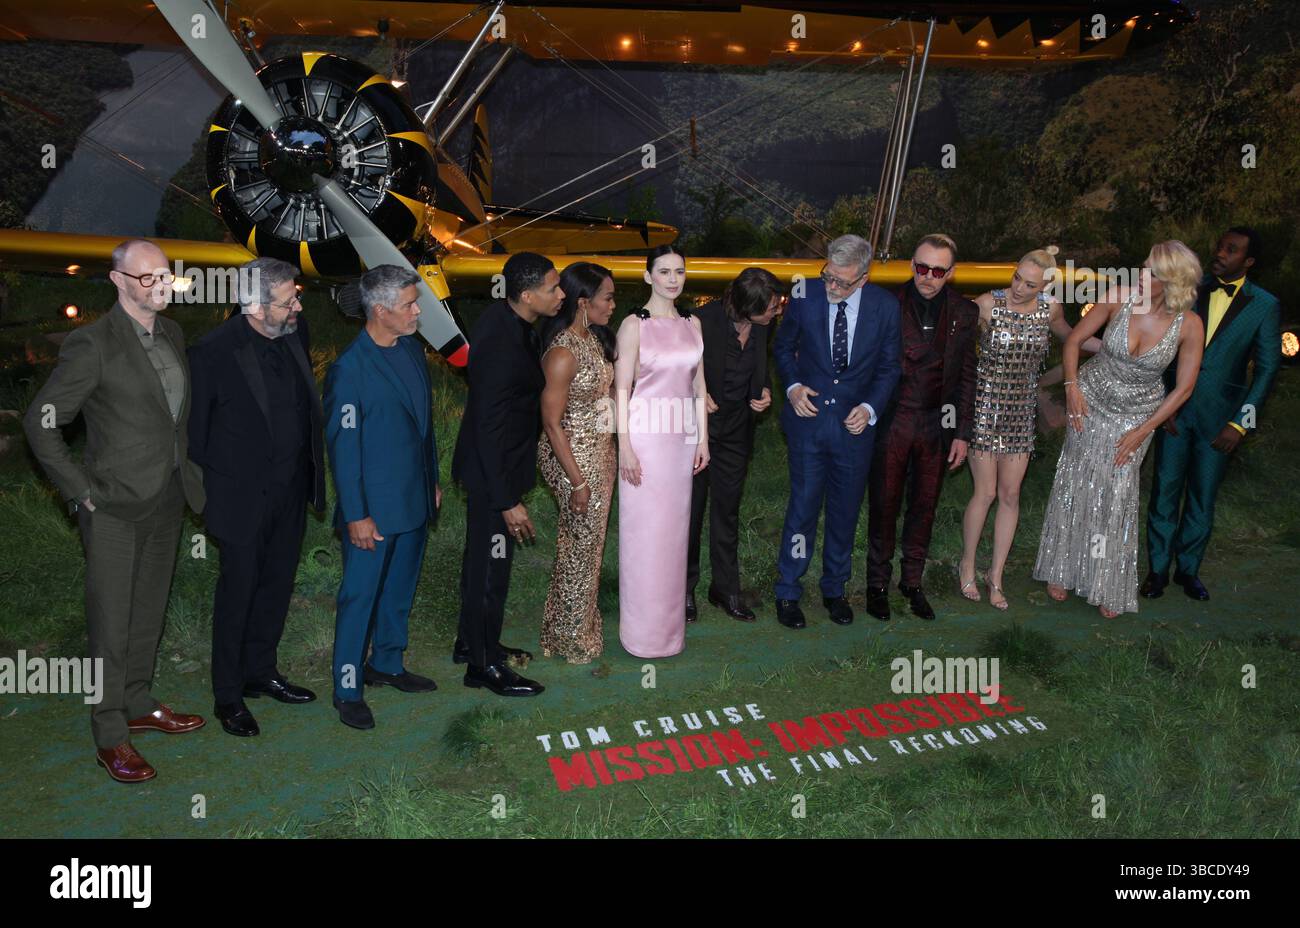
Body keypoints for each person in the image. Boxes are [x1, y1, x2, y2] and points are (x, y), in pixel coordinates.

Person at [24, 239, 206, 783]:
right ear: (118, 281)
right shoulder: (92, 343)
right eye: (147, 277)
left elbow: (171, 419)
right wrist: (80, 489)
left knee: (148, 609)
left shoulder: (173, 333)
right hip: (111, 506)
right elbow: (42, 421)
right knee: (111, 619)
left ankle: (139, 701)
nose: (160, 285)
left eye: (166, 276)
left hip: (167, 494)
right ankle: (110, 735)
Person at [187, 257, 324, 737]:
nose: (298, 307)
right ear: (253, 304)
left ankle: (261, 671)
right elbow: (195, 437)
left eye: (296, 296)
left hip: (290, 490)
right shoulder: (212, 352)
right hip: (240, 498)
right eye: (289, 300)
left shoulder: (293, 333)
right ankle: (228, 695)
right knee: (237, 594)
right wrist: (212, 498)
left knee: (276, 585)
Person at [1035, 243, 1205, 617]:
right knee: (1077, 484)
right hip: (1090, 402)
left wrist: (1145, 430)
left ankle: (1105, 580)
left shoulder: (1189, 325)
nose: (1141, 276)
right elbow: (1075, 340)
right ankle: (1062, 568)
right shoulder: (1118, 297)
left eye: (1151, 273)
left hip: (1137, 416)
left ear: (1173, 282)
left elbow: (1184, 388)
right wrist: (1071, 386)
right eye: (1142, 267)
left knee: (1117, 492)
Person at [324, 265, 441, 730]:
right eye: (410, 305)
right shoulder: (349, 370)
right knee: (359, 598)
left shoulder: (412, 350)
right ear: (379, 310)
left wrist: (430, 478)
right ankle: (347, 687)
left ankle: (388, 664)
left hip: (414, 501)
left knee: (397, 592)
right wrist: (356, 515)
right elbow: (343, 451)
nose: (418, 311)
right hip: (372, 512)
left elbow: (422, 427)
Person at [957, 246, 1101, 610]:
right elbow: (954, 347)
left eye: (1029, 284)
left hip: (1021, 411)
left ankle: (997, 576)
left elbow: (1074, 339)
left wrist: (1119, 348)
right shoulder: (987, 304)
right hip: (985, 406)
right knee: (985, 492)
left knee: (1010, 495)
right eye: (1016, 278)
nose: (1019, 288)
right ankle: (968, 565)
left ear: (1045, 286)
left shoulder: (1050, 309)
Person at [1142, 227, 1281, 601]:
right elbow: (1158, 345)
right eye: (1220, 245)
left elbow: (1268, 371)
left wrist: (1241, 424)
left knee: (1203, 497)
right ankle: (1156, 571)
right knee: (1164, 492)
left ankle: (1188, 571)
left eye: (1231, 250)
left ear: (1248, 261)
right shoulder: (1190, 287)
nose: (1221, 252)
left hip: (1221, 421)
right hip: (1174, 413)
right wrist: (1162, 404)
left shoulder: (1264, 305)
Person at [773, 233, 901, 629]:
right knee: (803, 506)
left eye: (842, 282)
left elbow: (889, 367)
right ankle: (788, 590)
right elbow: (782, 347)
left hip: (854, 431)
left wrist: (869, 408)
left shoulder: (885, 307)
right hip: (808, 425)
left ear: (862, 278)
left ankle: (834, 590)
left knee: (845, 512)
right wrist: (793, 388)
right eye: (828, 275)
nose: (831, 286)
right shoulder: (804, 294)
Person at [453, 251, 562, 694]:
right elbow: (488, 425)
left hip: (497, 471)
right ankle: (482, 667)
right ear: (526, 294)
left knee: (484, 564)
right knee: (489, 571)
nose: (560, 294)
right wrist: (507, 501)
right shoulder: (500, 339)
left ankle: (473, 644)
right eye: (553, 288)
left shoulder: (513, 323)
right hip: (490, 477)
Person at [866, 234, 978, 622]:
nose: (927, 277)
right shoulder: (885, 303)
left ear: (951, 272)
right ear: (911, 263)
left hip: (937, 422)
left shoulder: (965, 312)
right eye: (921, 267)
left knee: (925, 506)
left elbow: (967, 375)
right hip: (893, 419)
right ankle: (876, 584)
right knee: (884, 504)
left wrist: (963, 432)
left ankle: (912, 582)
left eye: (937, 271)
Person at [615, 244, 708, 657]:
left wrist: (701, 439)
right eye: (665, 271)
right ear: (648, 275)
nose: (673, 279)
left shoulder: (694, 324)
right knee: (644, 539)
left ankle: (670, 636)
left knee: (673, 538)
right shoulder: (634, 325)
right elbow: (620, 390)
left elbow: (699, 388)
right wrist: (625, 449)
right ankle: (640, 636)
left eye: (680, 272)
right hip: (645, 440)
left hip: (680, 441)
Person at [687, 267, 781, 623]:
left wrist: (765, 390)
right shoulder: (702, 320)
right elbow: (675, 370)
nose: (777, 312)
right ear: (747, 307)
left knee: (727, 511)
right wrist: (697, 394)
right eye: (771, 307)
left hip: (738, 432)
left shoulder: (762, 325)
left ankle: (725, 589)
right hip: (699, 432)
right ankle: (685, 590)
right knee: (692, 512)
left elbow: (760, 365)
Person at [537, 262, 618, 664]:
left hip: (599, 452)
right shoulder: (563, 351)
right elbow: (551, 424)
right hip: (572, 458)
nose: (613, 305)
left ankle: (569, 627)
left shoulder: (593, 340)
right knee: (580, 546)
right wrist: (577, 482)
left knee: (588, 547)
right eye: (607, 297)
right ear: (583, 302)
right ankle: (569, 638)